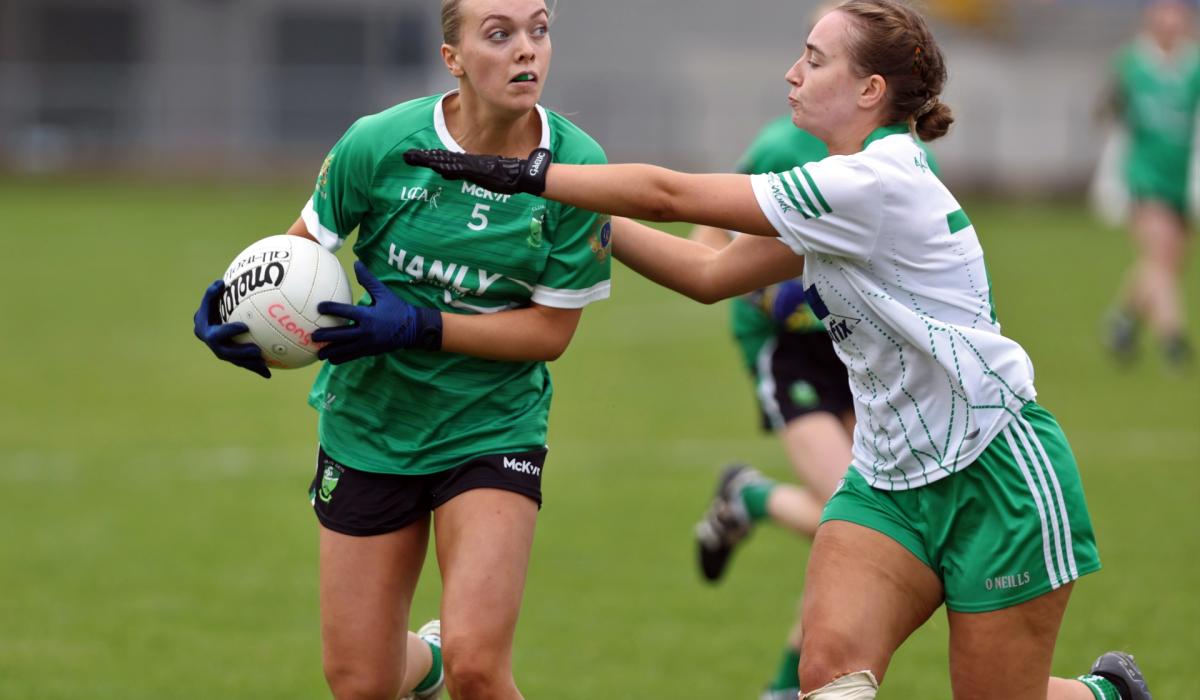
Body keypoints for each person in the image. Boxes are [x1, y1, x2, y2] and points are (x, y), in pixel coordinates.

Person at [405, 2, 1151, 698]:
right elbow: (707, 274)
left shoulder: (872, 184)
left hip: (996, 475)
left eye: (815, 60)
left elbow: (669, 196)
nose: (793, 74)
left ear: (870, 90)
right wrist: (570, 213)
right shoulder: (836, 192)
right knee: (826, 673)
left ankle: (1100, 693)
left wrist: (529, 173)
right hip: (889, 478)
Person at [193, 0, 612, 698]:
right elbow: (299, 253)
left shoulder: (577, 168)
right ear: (453, 59)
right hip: (371, 424)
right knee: (362, 682)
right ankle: (430, 663)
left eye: (539, 29)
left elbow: (549, 334)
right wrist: (238, 313)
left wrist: (421, 325)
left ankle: (455, 662)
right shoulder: (380, 144)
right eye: (500, 34)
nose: (526, 50)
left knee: (481, 669)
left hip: (492, 423)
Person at [691, 107, 942, 700]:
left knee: (866, 521)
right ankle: (786, 684)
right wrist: (765, 290)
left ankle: (751, 497)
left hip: (860, 351)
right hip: (787, 352)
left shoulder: (901, 158)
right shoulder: (782, 144)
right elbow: (707, 238)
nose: (800, 73)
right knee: (852, 517)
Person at [1100, 0, 1198, 369]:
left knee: (1169, 263)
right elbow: (1109, 111)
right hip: (1144, 175)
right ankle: (1173, 341)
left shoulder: (1194, 67)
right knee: (1160, 255)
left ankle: (1122, 322)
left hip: (1181, 178)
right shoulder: (1132, 64)